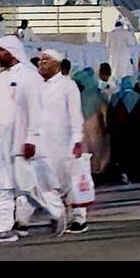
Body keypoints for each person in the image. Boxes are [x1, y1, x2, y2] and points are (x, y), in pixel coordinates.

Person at [0, 35, 60, 243]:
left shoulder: (29, 76)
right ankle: (4, 230)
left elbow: (36, 110)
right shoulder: (0, 78)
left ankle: (57, 210)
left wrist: (31, 139)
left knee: (28, 186)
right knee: (0, 186)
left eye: (2, 51)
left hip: (20, 141)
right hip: (0, 142)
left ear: (12, 52)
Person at [36, 48, 86, 234]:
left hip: (65, 142)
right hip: (43, 143)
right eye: (40, 60)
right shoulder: (38, 86)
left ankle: (78, 218)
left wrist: (77, 140)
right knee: (47, 182)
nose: (42, 63)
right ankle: (56, 216)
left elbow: (75, 115)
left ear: (57, 63)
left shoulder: (68, 85)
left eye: (46, 60)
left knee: (71, 181)